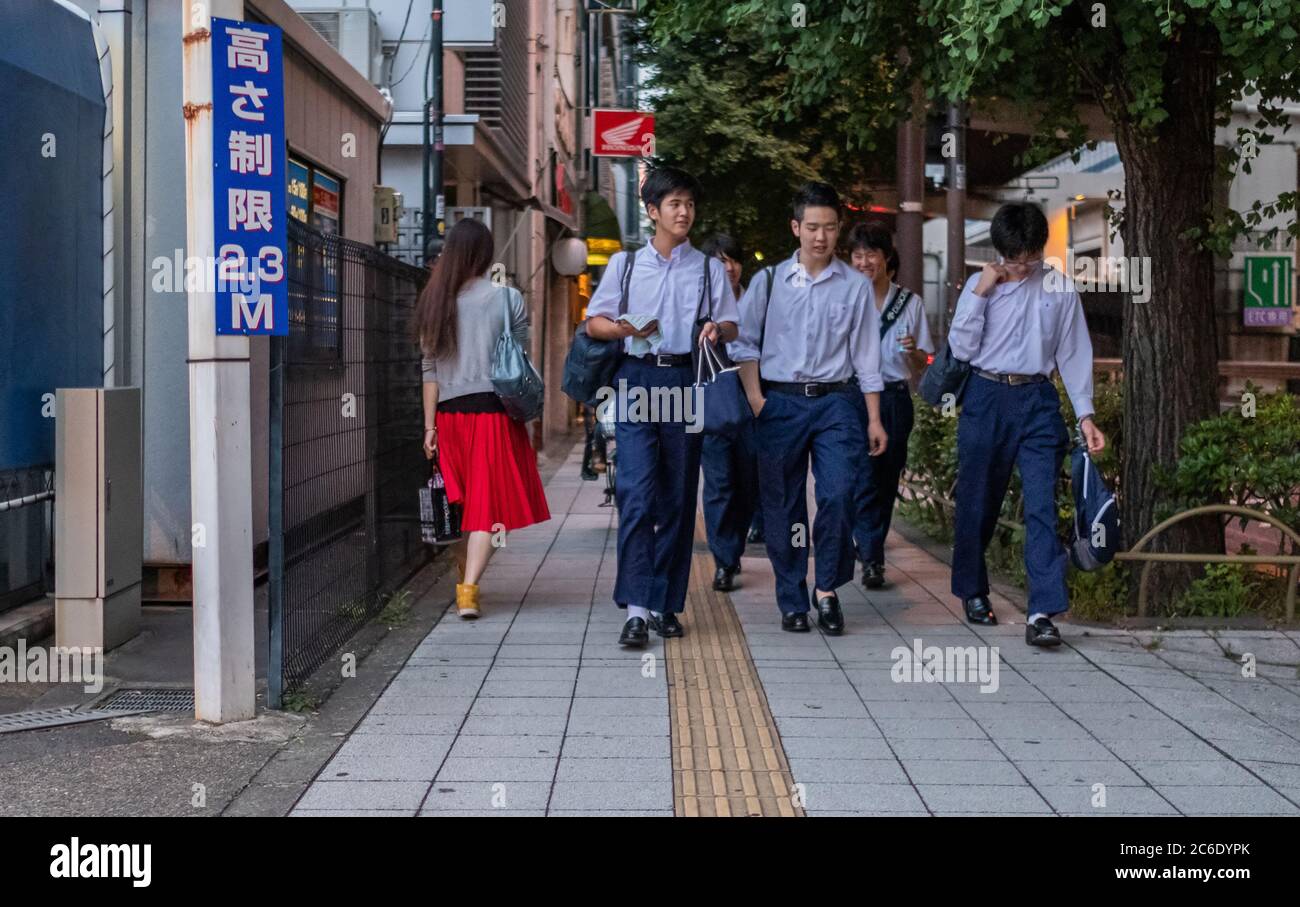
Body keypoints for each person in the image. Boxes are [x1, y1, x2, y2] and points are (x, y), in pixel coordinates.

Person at [584, 167, 739, 647]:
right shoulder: (626, 266)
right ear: (652, 211)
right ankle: (635, 608)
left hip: (685, 379)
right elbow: (594, 323)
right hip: (635, 378)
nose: (684, 212)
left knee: (676, 495)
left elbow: (732, 324)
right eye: (673, 204)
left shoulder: (710, 270)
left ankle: (666, 603)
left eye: (689, 204)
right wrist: (623, 329)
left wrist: (717, 330)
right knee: (635, 491)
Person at [730, 182, 888, 635]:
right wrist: (758, 399)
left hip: (838, 401)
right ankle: (792, 597)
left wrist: (874, 417)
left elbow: (866, 355)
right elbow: (743, 342)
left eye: (830, 228)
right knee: (783, 505)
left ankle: (828, 589)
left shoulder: (856, 286)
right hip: (780, 402)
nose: (821, 237)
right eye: (813, 227)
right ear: (796, 227)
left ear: (839, 231)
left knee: (839, 493)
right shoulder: (770, 281)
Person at [947, 202, 1105, 646]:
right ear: (1000, 250)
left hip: (1037, 398)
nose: (1023, 264)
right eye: (1015, 256)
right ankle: (974, 590)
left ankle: (1042, 610)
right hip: (985, 394)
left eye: (1031, 254)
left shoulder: (1059, 288)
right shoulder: (981, 286)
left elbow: (1074, 355)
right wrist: (981, 292)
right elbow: (960, 348)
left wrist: (1086, 414)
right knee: (978, 499)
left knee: (1041, 504)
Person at [417, 218, 552, 619]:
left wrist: (429, 427)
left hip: (448, 417)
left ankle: (465, 574)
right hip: (492, 413)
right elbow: (520, 353)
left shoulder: (433, 300)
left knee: (461, 507)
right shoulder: (507, 298)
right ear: (485, 254)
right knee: (487, 507)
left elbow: (430, 371)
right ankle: (469, 589)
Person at [847, 223, 933, 589]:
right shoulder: (844, 299)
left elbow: (920, 365)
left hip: (894, 397)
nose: (864, 261)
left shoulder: (909, 304)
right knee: (860, 478)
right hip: (852, 398)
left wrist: (913, 352)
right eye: (857, 255)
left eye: (871, 254)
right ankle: (871, 555)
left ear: (886, 259)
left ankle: (870, 549)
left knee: (885, 480)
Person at [699, 233, 761, 591]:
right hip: (715, 395)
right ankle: (725, 560)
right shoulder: (700, 303)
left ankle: (735, 543)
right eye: (721, 261)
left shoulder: (755, 297)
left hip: (754, 394)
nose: (730, 267)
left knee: (749, 481)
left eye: (734, 259)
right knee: (720, 481)